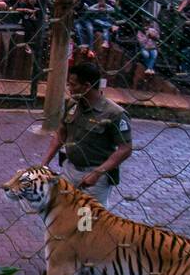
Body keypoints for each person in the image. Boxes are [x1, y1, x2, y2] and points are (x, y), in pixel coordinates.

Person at [39, 61, 132, 208]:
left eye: (73, 85)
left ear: (87, 86)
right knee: (63, 213)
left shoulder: (114, 113)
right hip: (70, 169)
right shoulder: (72, 104)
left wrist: (97, 173)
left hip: (95, 177)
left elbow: (125, 149)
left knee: (86, 222)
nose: (69, 88)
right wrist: (43, 163)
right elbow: (61, 134)